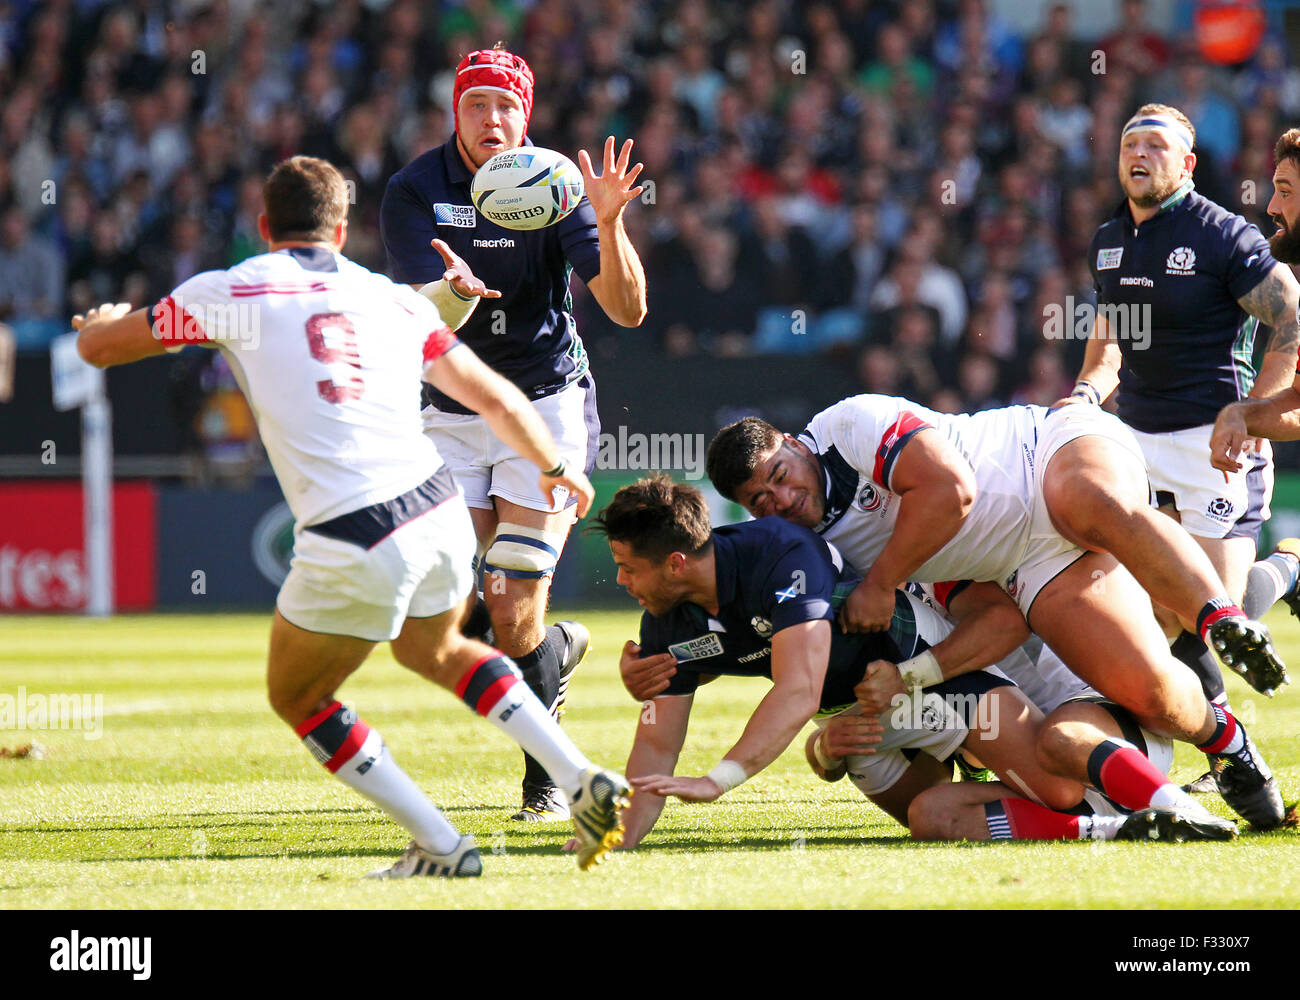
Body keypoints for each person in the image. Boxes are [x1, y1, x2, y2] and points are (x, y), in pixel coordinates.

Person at [72, 155, 630, 876]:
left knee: (297, 694)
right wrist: (555, 464)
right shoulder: (392, 299)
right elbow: (495, 396)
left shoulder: (230, 291)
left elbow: (103, 349)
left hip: (352, 529)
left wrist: (101, 323)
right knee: (437, 651)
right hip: (436, 514)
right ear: (341, 229)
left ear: (263, 226)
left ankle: (440, 843)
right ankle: (581, 775)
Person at [705, 399, 1288, 829]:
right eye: (761, 502)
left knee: (1093, 500)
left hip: (1041, 454)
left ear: (792, 442)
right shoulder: (842, 560)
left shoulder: (846, 425)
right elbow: (990, 617)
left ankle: (1221, 625)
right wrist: (828, 745)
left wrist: (885, 596)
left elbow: (952, 488)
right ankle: (1190, 771)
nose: (779, 500)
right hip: (1022, 569)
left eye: (779, 477)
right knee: (1142, 696)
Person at [592, 477, 1233, 850]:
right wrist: (615, 836)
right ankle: (1115, 830)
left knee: (1061, 772)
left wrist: (720, 779)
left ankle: (1179, 804)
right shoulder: (664, 617)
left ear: (676, 562)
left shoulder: (783, 553)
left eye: (627, 567)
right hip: (871, 708)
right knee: (927, 815)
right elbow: (654, 749)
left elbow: (796, 689)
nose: (619, 582)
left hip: (940, 680)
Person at [380, 45, 647, 822]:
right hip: (449, 414)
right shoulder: (414, 189)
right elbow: (412, 320)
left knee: (513, 601)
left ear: (525, 115)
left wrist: (607, 220)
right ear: (453, 112)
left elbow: (627, 310)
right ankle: (553, 657)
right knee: (446, 610)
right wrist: (449, 297)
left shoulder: (556, 185)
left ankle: (545, 776)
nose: (491, 119)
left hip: (543, 409)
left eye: (505, 106)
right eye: (476, 105)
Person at [1064, 105, 1300, 735]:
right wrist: (1086, 395)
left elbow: (1289, 314)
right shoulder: (1108, 241)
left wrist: (1253, 414)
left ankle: (1289, 568)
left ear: (1187, 164)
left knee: (1217, 616)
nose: (1138, 154)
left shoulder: (1224, 236)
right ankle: (1226, 749)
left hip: (1214, 445)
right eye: (1129, 144)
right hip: (1136, 441)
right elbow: (1111, 339)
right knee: (1156, 616)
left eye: (1155, 145)